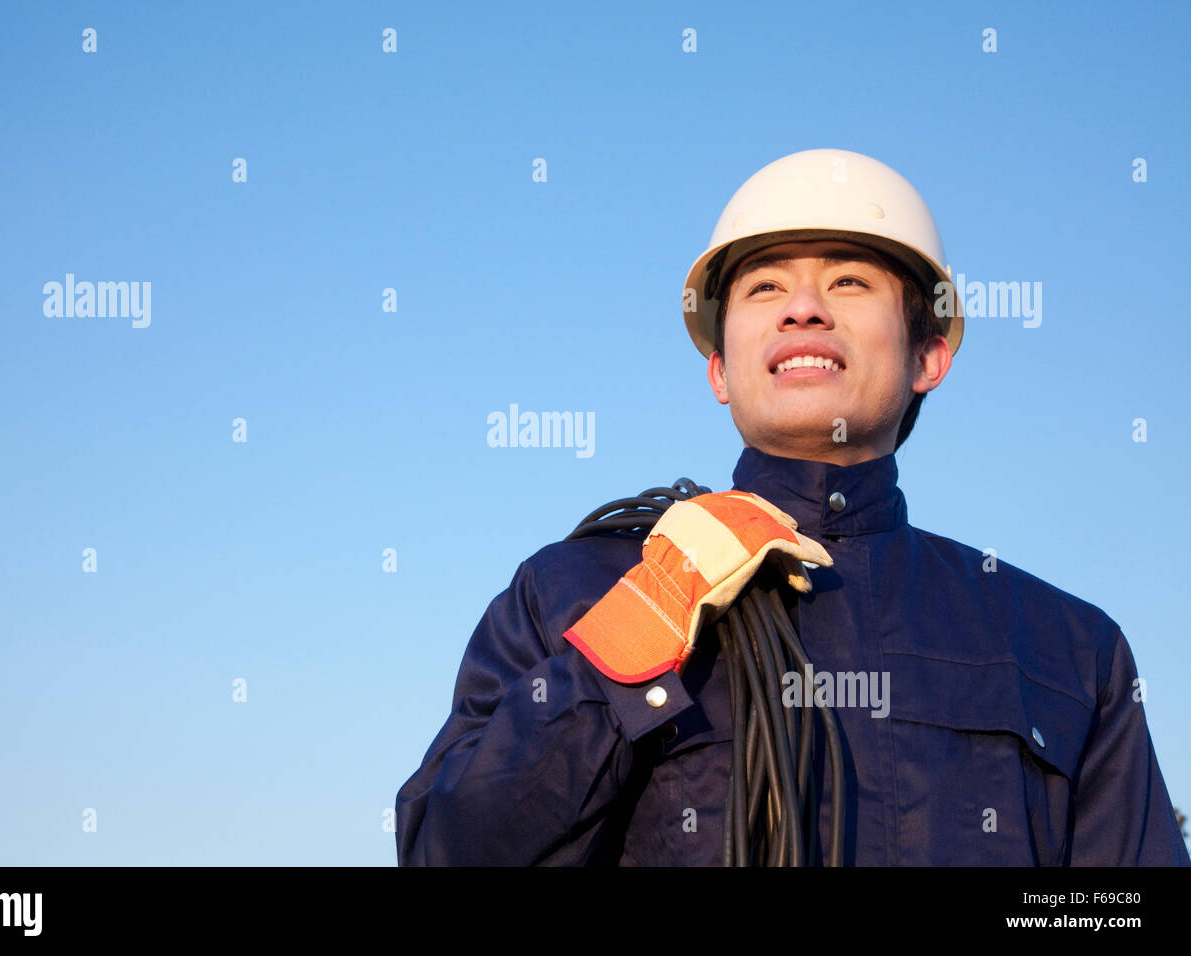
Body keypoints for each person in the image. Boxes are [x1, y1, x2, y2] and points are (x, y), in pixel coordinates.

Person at [394, 148, 1189, 866]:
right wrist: (626, 647)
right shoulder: (570, 593)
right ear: (719, 370)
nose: (802, 308)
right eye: (765, 285)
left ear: (928, 355)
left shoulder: (1065, 648)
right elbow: (443, 849)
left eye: (849, 280)